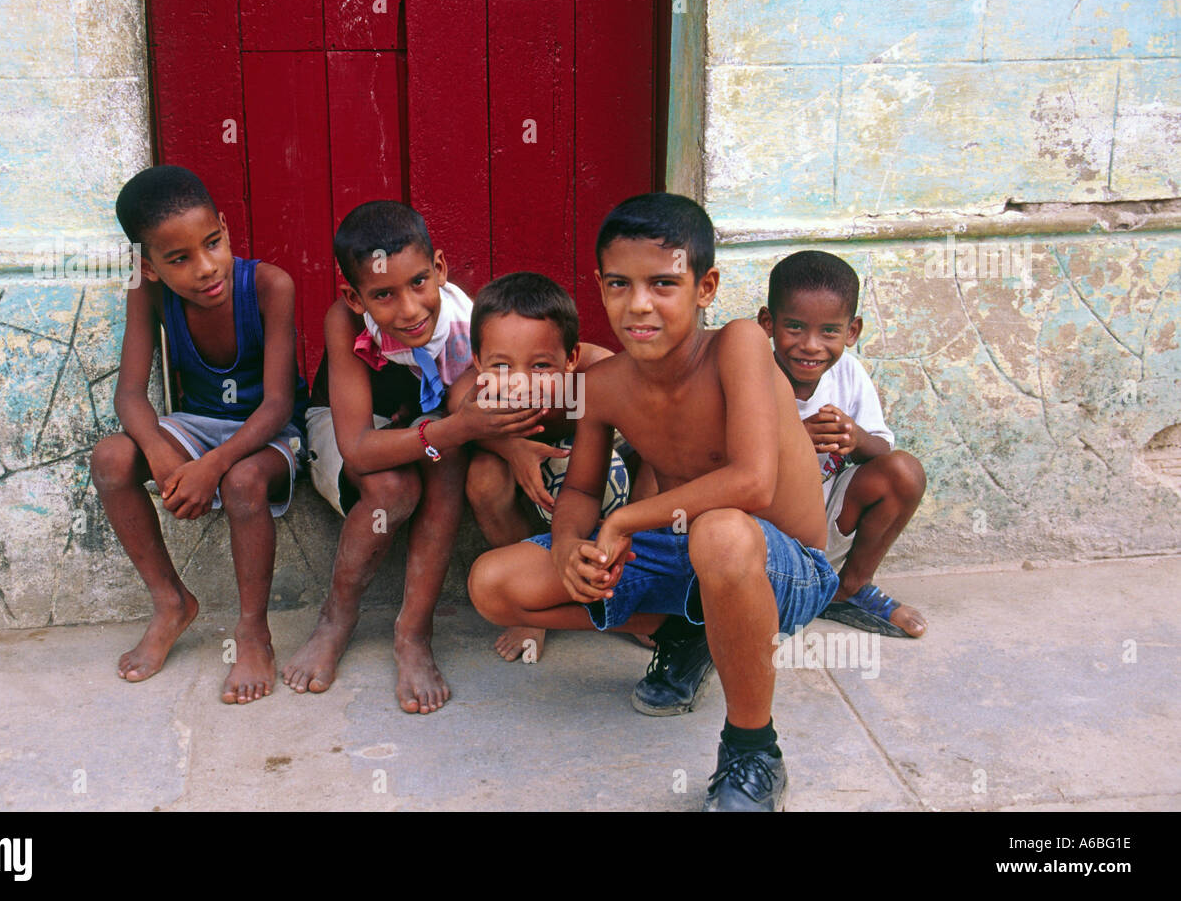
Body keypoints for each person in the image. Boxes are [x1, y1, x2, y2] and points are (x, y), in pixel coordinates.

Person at [468, 193, 837, 810]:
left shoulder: (738, 346)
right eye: (620, 283)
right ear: (600, 286)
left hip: (785, 569)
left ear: (705, 285)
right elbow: (581, 489)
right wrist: (567, 549)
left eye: (663, 283)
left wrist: (626, 518)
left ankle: (753, 752)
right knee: (494, 584)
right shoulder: (600, 385)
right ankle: (686, 634)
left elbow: (752, 483)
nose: (639, 304)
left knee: (720, 529)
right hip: (686, 555)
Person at [283, 201, 547, 713]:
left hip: (429, 432)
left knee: (446, 458)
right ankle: (335, 620)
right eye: (383, 295)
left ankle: (413, 633)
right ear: (354, 297)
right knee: (392, 488)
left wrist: (500, 441)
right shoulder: (344, 321)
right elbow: (358, 449)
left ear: (441, 270)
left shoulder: (469, 326)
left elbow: (471, 415)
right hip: (347, 424)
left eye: (419, 283)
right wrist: (449, 429)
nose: (408, 310)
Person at [93, 164, 309, 704]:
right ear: (149, 266)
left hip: (271, 432)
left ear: (225, 226)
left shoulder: (267, 285)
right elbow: (130, 396)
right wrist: (162, 455)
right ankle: (170, 601)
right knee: (111, 458)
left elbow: (279, 403)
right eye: (179, 259)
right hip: (199, 424)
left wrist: (209, 467)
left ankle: (253, 630)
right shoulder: (146, 291)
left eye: (213, 243)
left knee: (240, 482)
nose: (206, 268)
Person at [451, 271, 635, 663]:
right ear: (479, 361)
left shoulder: (597, 374)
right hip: (525, 474)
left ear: (570, 358)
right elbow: (457, 413)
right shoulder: (478, 390)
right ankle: (531, 594)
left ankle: (631, 587)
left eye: (540, 366)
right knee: (484, 480)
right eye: (501, 365)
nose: (521, 383)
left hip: (598, 462)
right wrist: (511, 447)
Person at [757, 250, 927, 638]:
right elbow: (728, 461)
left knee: (904, 471)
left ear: (852, 331)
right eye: (795, 327)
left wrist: (856, 438)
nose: (811, 345)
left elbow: (881, 452)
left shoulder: (848, 375)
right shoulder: (753, 374)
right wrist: (794, 438)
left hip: (826, 521)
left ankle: (848, 589)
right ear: (768, 323)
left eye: (829, 331)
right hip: (763, 531)